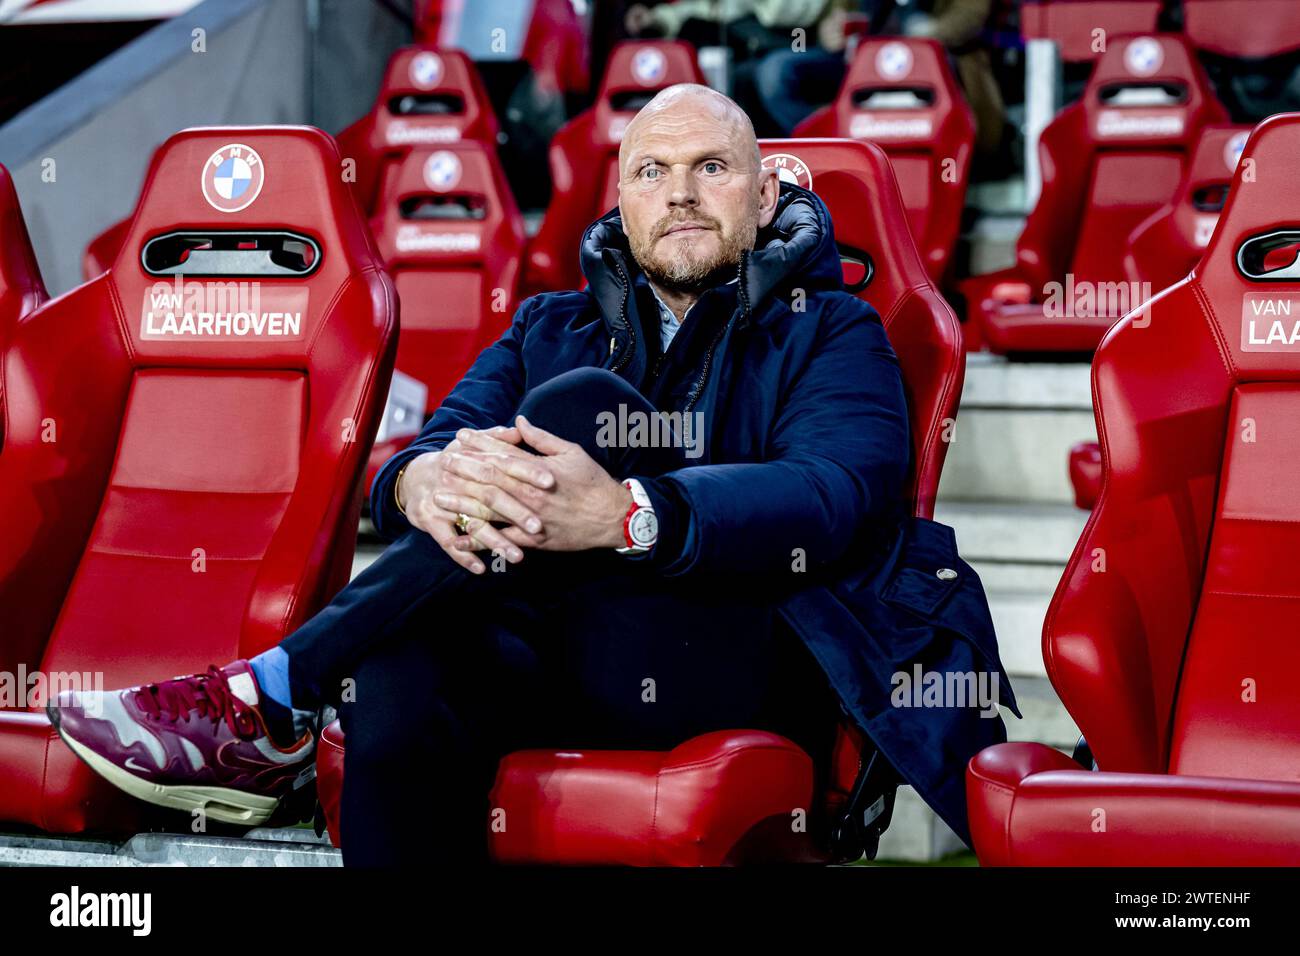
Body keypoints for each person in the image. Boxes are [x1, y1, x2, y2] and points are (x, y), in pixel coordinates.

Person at [47, 84, 1015, 866]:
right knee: (399, 677)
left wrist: (632, 516)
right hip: (554, 643)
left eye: (711, 168)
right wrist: (421, 487)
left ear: (763, 199)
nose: (678, 192)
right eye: (652, 171)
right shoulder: (546, 326)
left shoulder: (832, 325)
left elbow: (830, 496)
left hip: (746, 646)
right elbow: (421, 457)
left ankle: (267, 698)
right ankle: (288, 699)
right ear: (620, 201)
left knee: (580, 415)